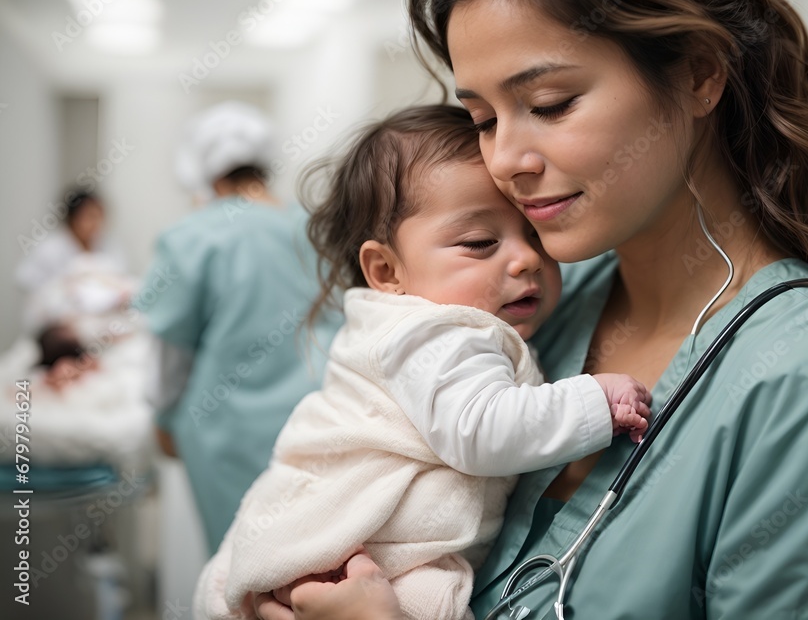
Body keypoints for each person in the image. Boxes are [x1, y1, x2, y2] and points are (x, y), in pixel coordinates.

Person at [254, 0, 808, 619]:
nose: (506, 159)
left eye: (550, 104)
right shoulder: (544, 307)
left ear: (701, 73)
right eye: (483, 119)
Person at [194, 105, 652, 620]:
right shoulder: (434, 332)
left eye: (536, 236)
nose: (525, 259)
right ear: (386, 270)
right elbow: (480, 427)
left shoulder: (428, 321)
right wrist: (594, 400)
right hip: (357, 554)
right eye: (480, 243)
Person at [141, 101, 338, 552]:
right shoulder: (312, 228)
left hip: (222, 433)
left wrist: (162, 417)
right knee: (316, 557)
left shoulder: (192, 236)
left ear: (206, 175)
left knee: (241, 565)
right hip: (318, 421)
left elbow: (170, 349)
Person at [16, 189, 129, 331]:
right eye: (90, 217)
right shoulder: (51, 248)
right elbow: (26, 280)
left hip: (95, 323)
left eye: (99, 216)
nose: (96, 223)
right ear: (73, 218)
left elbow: (119, 279)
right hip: (54, 325)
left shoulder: (108, 245)